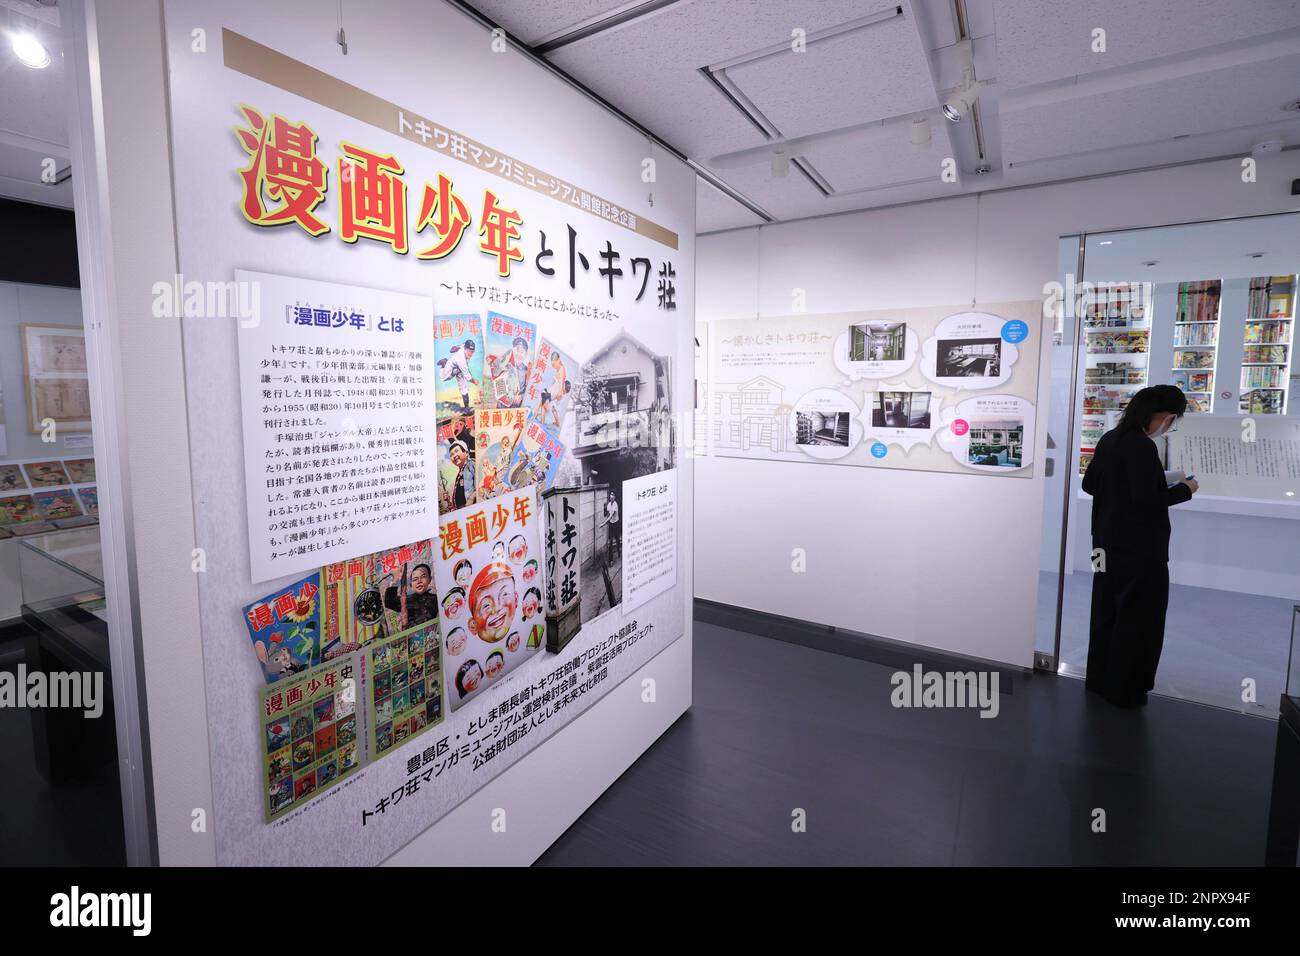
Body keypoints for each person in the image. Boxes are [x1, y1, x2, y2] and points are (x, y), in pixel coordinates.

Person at [1081, 384, 1198, 707]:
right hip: (1139, 550)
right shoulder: (1142, 448)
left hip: (1103, 544)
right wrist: (1186, 488)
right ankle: (1123, 689)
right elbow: (1148, 501)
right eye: (1172, 420)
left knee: (1106, 611)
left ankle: (1099, 680)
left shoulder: (1109, 440)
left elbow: (1089, 484)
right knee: (1139, 618)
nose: (1170, 426)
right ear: (1166, 416)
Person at [603, 490, 620, 563]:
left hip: (616, 523)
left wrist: (603, 523)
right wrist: (604, 510)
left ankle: (619, 551)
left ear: (615, 497)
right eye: (610, 495)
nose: (611, 496)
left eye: (613, 495)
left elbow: (611, 516)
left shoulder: (615, 505)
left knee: (617, 539)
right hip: (611, 524)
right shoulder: (609, 504)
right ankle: (611, 560)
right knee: (610, 541)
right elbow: (607, 515)